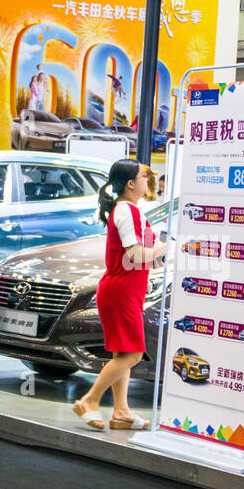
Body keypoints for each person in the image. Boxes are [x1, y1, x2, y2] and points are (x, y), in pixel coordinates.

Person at [72, 160, 162, 431]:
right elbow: (135, 254)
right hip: (120, 292)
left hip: (127, 290)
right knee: (133, 354)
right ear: (131, 184)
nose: (148, 180)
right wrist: (163, 248)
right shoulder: (126, 211)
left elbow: (134, 256)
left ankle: (121, 411)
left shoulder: (131, 210)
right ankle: (90, 399)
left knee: (122, 353)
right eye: (144, 176)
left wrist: (155, 257)